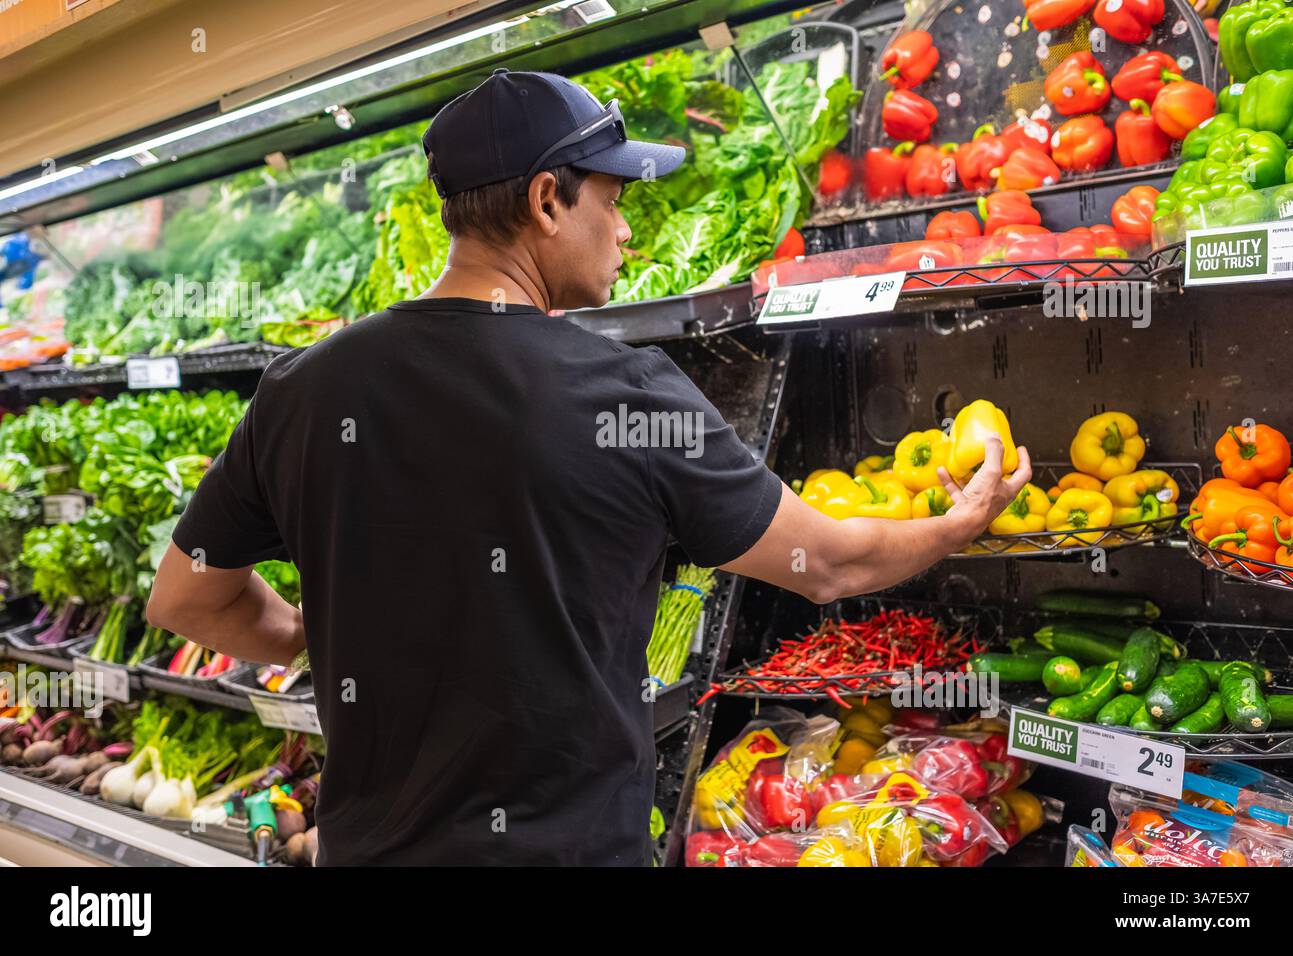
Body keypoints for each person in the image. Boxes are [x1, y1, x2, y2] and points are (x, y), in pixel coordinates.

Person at [147, 69, 1031, 866]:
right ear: (545, 200)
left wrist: (314, 631)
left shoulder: (303, 387)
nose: (628, 227)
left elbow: (187, 599)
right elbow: (830, 563)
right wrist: (959, 523)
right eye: (614, 198)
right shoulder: (629, 392)